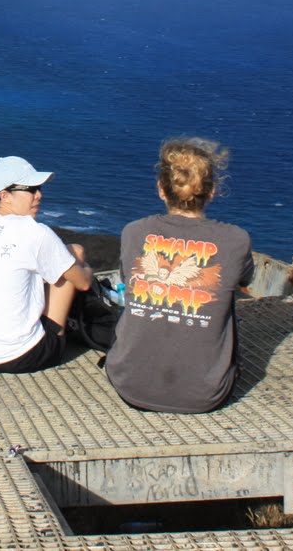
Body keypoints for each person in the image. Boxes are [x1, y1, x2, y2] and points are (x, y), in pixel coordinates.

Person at [104, 137, 255, 412]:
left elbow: (128, 279)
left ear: (161, 189)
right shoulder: (236, 240)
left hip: (130, 385)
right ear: (211, 192)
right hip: (206, 394)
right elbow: (244, 280)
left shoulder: (134, 231)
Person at [0, 155, 94, 372]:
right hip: (23, 355)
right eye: (31, 189)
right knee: (75, 253)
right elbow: (83, 283)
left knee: (54, 262)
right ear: (4, 195)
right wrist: (88, 270)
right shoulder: (34, 233)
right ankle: (58, 334)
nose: (39, 195)